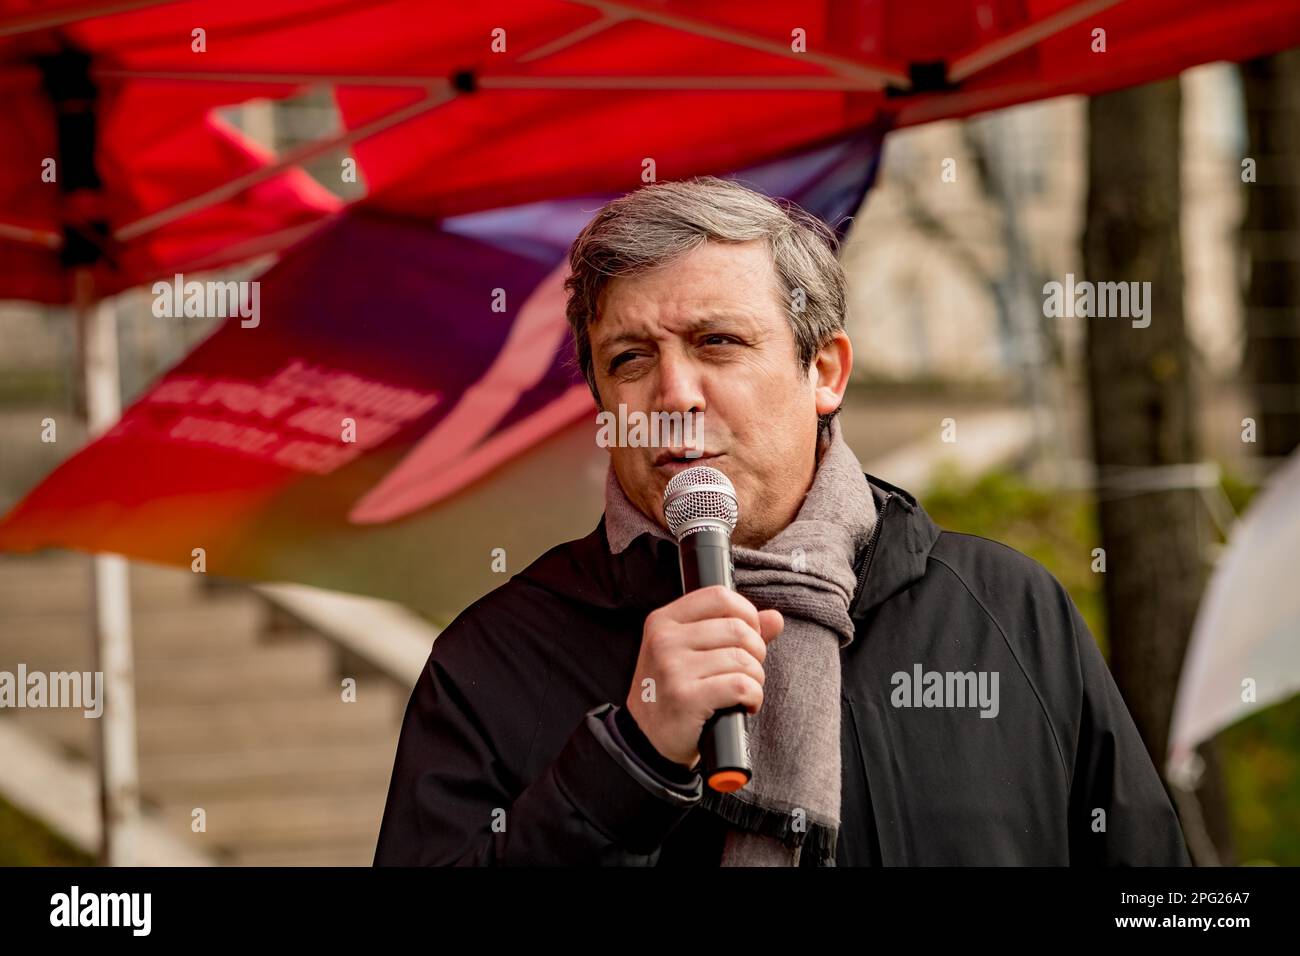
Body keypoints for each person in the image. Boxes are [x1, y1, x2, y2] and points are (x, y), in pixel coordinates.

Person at [373, 176, 1190, 866]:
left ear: (824, 370)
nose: (676, 397)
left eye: (718, 342)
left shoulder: (1005, 613)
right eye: (630, 359)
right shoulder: (490, 661)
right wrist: (627, 763)